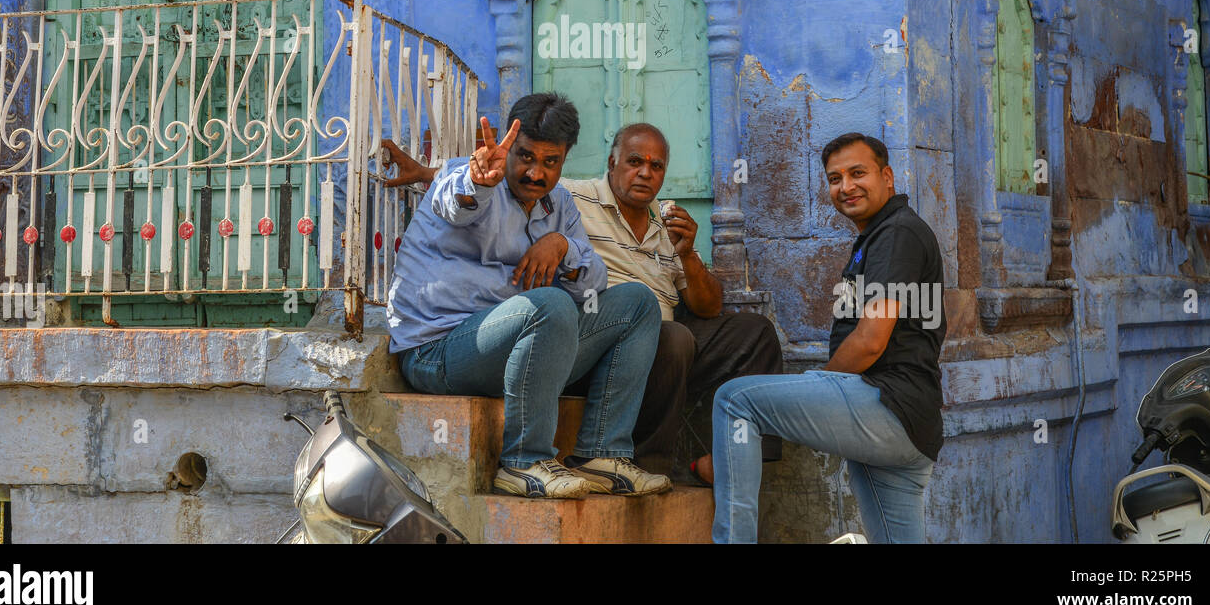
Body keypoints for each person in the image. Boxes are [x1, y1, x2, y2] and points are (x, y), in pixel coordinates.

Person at [381, 121, 783, 482]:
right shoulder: (572, 193)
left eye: (656, 166)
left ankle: (606, 457)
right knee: (585, 313)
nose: (645, 172)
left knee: (738, 327)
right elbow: (475, 185)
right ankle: (540, 460)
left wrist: (688, 253)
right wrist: (435, 174)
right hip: (480, 342)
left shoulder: (643, 216)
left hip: (615, 327)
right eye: (634, 161)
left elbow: (704, 306)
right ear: (612, 163)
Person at [386, 92, 670, 500]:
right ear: (507, 146)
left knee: (638, 304)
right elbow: (457, 202)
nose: (535, 173)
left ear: (563, 160)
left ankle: (602, 456)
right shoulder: (466, 177)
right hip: (439, 350)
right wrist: (477, 182)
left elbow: (592, 286)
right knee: (551, 306)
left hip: (517, 348)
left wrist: (562, 247)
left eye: (549, 162)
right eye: (525, 157)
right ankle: (523, 461)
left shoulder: (560, 206)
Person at [708, 133, 946, 543]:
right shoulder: (877, 236)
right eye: (835, 179)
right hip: (910, 425)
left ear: (887, 176)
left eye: (858, 173)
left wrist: (818, 385)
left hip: (887, 404)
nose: (846, 187)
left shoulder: (897, 233)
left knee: (735, 400)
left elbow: (871, 340)